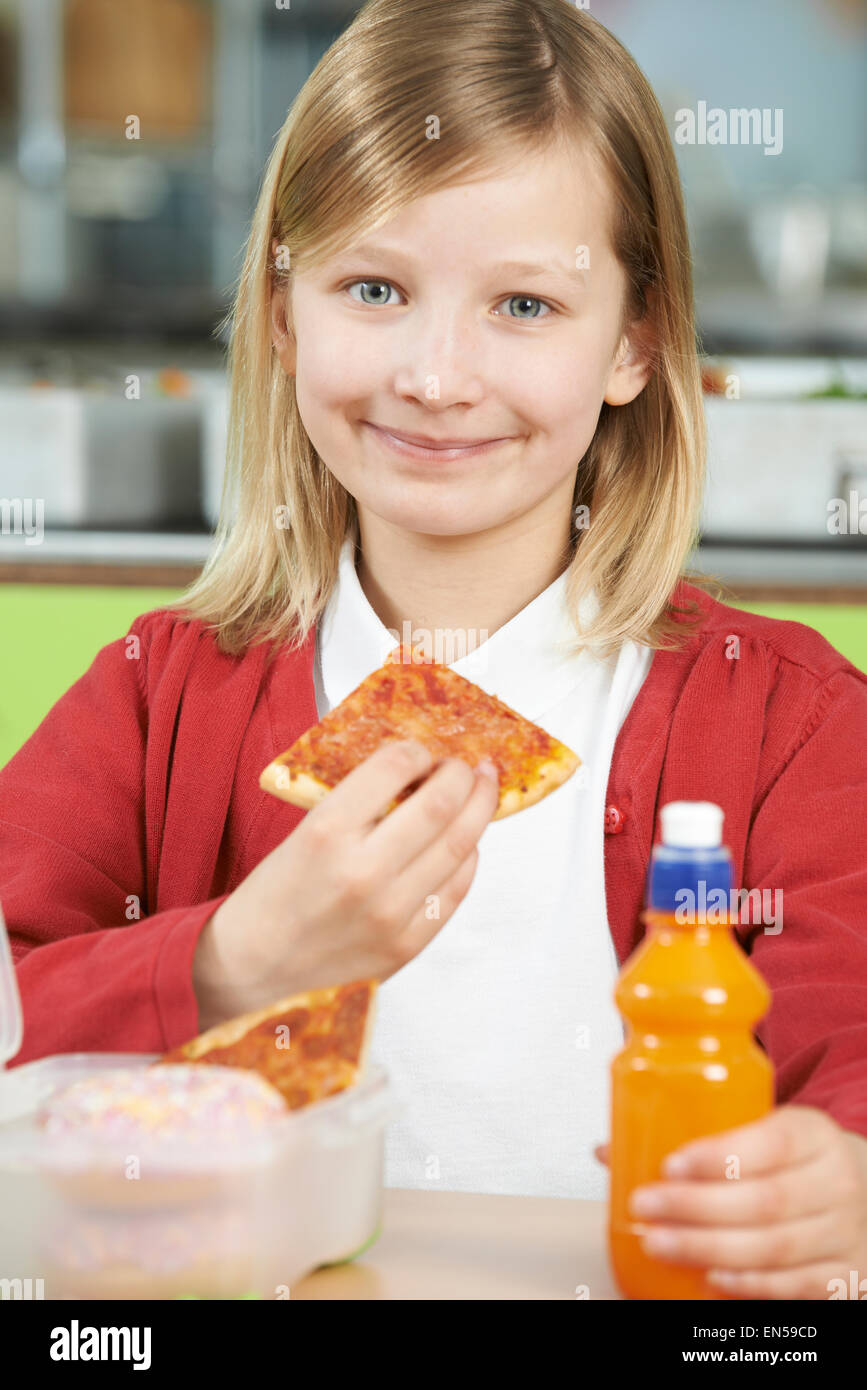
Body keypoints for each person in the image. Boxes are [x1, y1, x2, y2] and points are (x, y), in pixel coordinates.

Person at [2, 0, 866, 1298]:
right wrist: (231, 960)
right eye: (375, 288)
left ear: (633, 339)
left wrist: (844, 1171)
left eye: (524, 302)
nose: (438, 373)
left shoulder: (790, 718)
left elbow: (848, 1049)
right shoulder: (159, 696)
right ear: (285, 312)